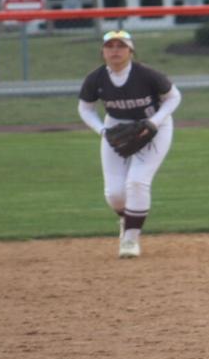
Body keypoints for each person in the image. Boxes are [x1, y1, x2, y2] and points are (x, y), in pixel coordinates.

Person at [77, 29, 181, 259]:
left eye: (121, 46)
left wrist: (154, 122)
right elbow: (85, 108)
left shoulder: (146, 74)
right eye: (110, 46)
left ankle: (130, 240)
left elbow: (174, 97)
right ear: (102, 52)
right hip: (115, 128)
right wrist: (102, 131)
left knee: (136, 182)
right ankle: (127, 220)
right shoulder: (96, 78)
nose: (115, 50)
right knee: (114, 193)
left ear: (131, 51)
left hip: (154, 128)